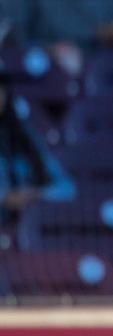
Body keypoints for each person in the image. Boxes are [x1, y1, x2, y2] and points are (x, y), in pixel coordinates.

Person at [0, 65, 75, 223]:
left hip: (28, 228)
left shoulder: (23, 136)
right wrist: (4, 198)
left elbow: (67, 189)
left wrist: (36, 195)